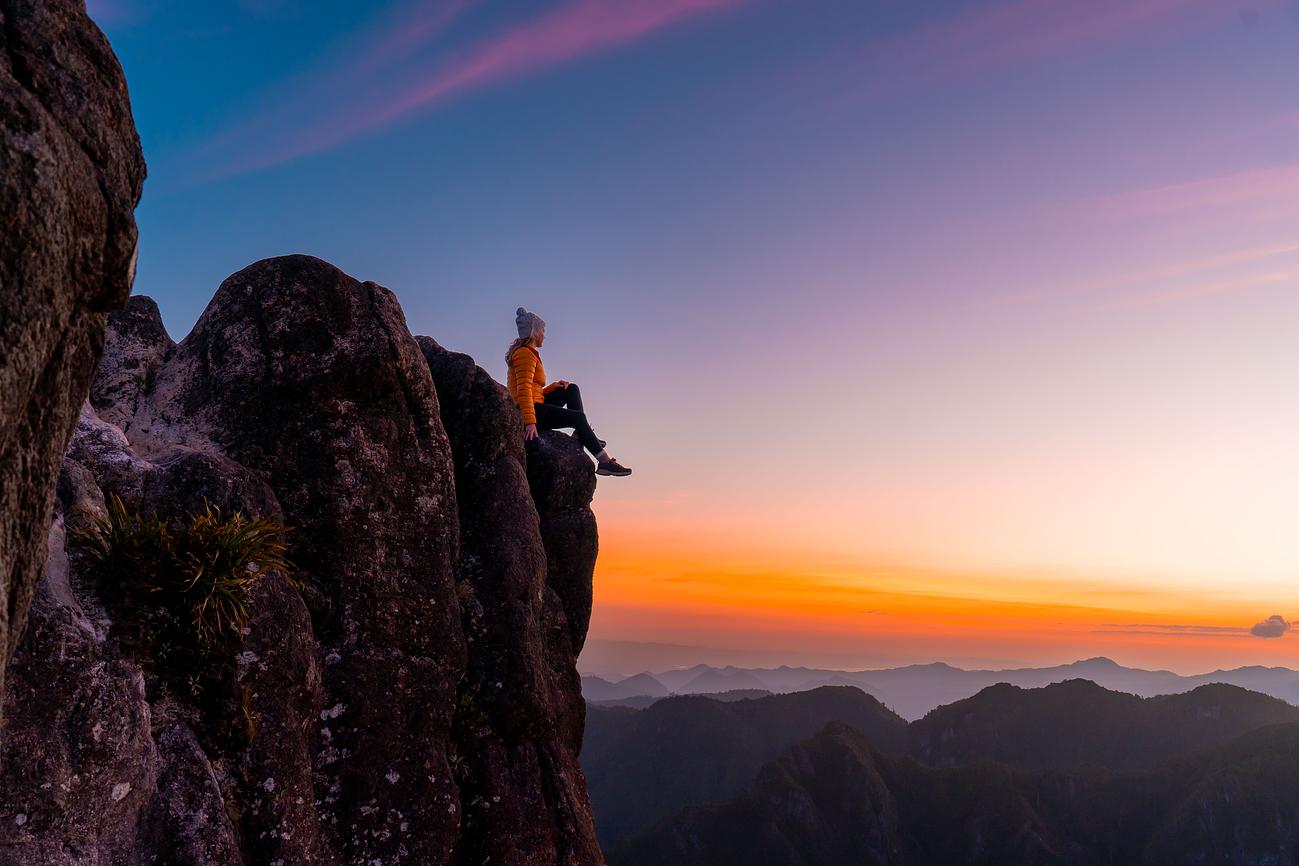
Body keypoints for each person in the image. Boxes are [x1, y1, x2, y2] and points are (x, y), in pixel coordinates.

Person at [507, 307, 632, 477]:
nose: (544, 334)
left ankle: (581, 433)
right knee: (578, 418)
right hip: (530, 411)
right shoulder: (524, 355)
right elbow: (523, 390)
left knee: (571, 389)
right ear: (534, 332)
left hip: (537, 404)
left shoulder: (530, 353)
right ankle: (604, 463)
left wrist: (553, 387)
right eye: (542, 330)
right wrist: (530, 422)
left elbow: (533, 387)